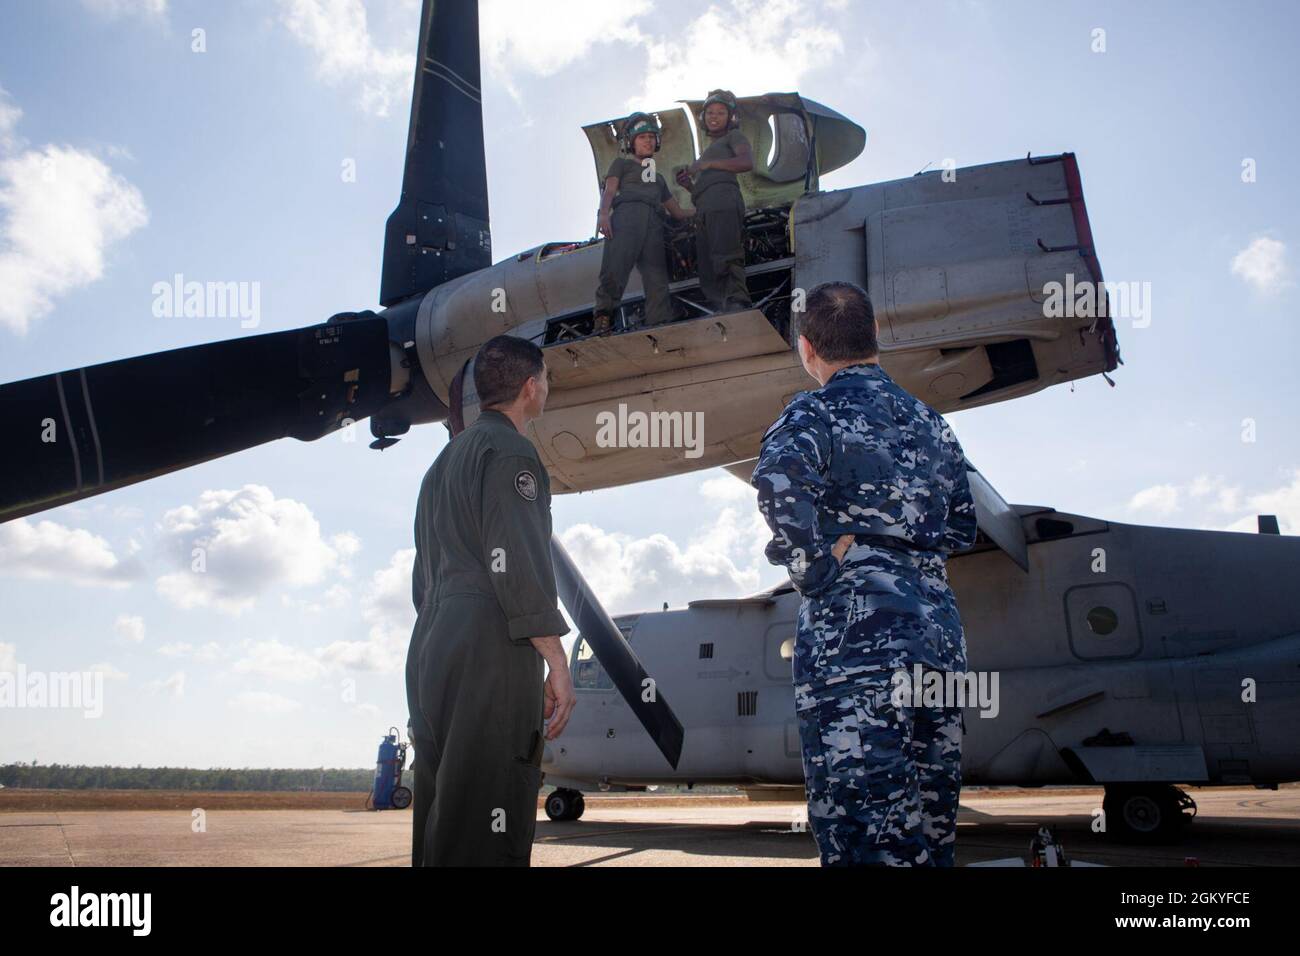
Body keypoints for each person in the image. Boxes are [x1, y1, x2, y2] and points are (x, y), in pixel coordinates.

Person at [750, 282, 978, 867]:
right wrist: (912, 558)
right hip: (938, 637)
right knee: (931, 819)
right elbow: (960, 528)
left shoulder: (815, 410)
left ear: (807, 349)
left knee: (867, 827)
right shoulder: (932, 424)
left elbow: (778, 485)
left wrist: (816, 569)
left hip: (856, 640)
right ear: (876, 339)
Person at [405, 334, 576, 867]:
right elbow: (519, 560)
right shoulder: (511, 451)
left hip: (432, 645)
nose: (546, 387)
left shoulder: (441, 464)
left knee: (443, 807)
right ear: (531, 387)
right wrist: (555, 660)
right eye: (545, 378)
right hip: (490, 640)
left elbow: (423, 575)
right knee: (490, 800)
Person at [593, 112, 694, 334]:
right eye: (642, 137)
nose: (647, 141)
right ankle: (603, 317)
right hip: (627, 216)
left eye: (651, 136)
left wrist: (701, 210)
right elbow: (609, 190)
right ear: (631, 142)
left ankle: (659, 322)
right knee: (615, 267)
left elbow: (676, 212)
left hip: (654, 223)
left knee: (656, 276)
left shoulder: (658, 179)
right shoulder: (621, 164)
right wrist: (603, 214)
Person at [675, 89, 752, 312]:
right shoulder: (709, 151)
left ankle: (737, 302)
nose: (714, 116)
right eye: (709, 112)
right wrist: (688, 185)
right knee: (708, 264)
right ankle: (721, 307)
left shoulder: (733, 137)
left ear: (731, 118)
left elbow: (746, 162)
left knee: (725, 254)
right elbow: (702, 190)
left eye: (720, 112)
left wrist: (707, 165)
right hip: (706, 206)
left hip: (723, 200)